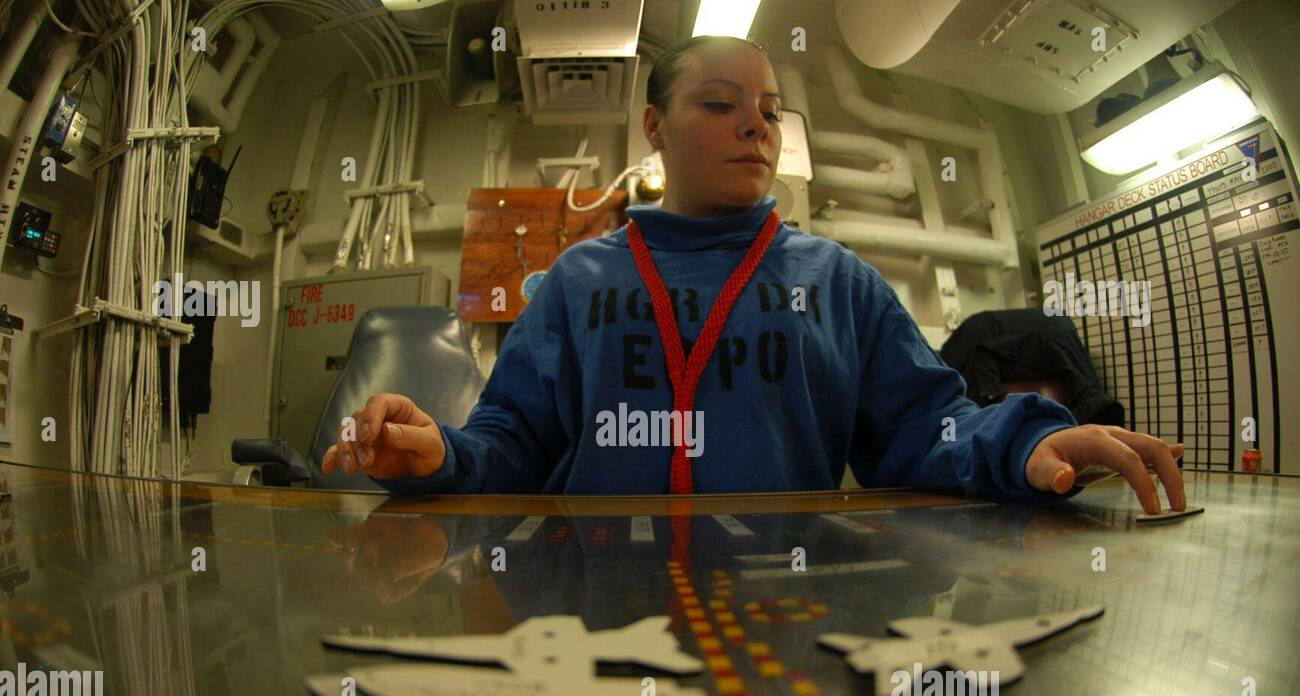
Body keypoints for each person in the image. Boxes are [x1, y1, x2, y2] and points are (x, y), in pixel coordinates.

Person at [322, 35, 1186, 514]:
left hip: (785, 607)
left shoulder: (839, 280)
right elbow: (513, 445)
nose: (756, 128)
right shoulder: (578, 279)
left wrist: (1025, 441)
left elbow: (926, 430)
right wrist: (443, 455)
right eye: (721, 105)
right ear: (657, 128)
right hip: (585, 614)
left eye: (770, 111)